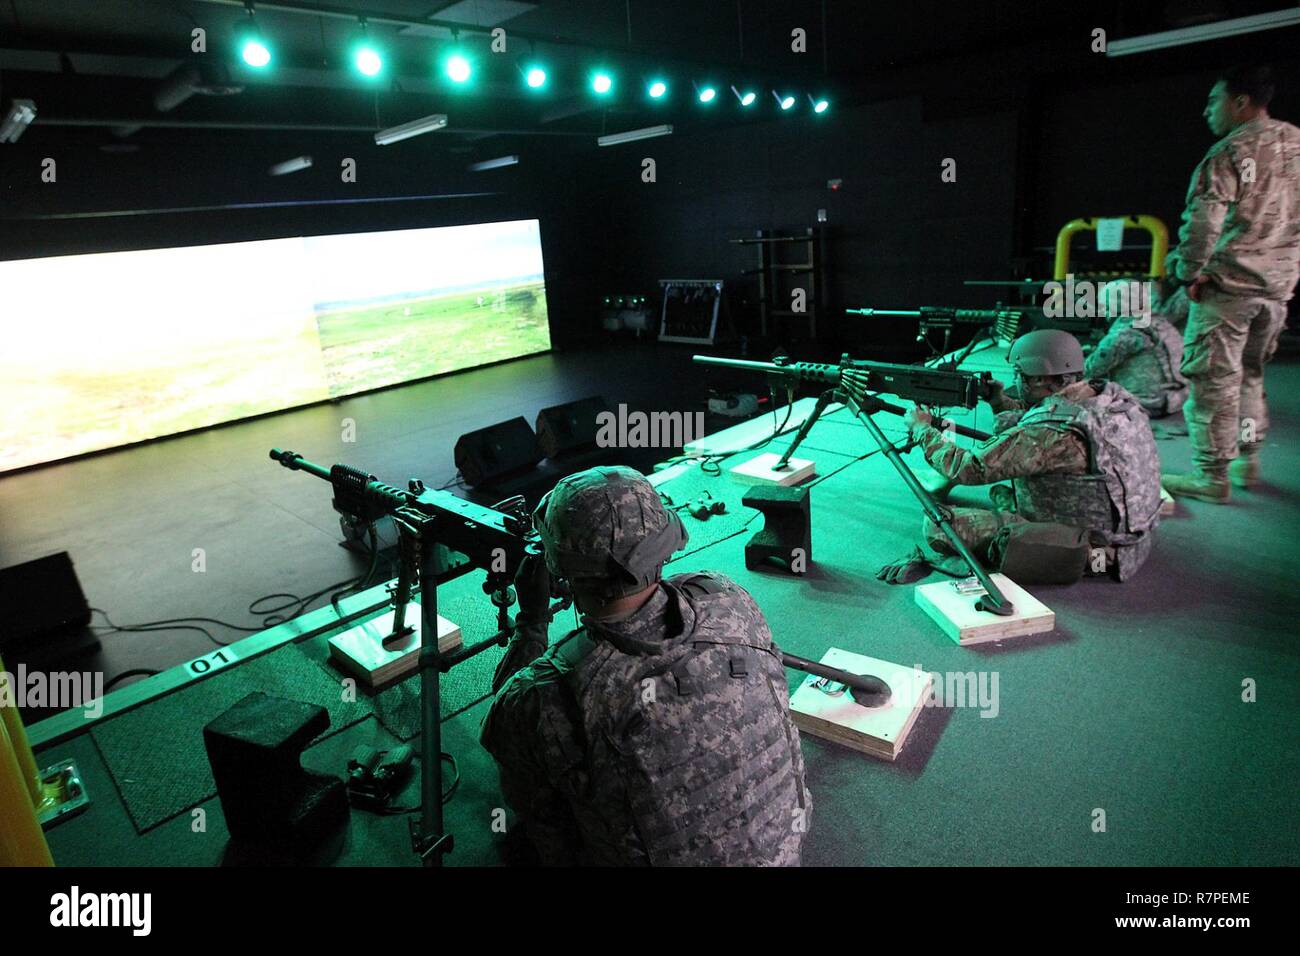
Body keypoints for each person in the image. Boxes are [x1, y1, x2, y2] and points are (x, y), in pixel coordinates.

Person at [480, 465, 812, 866]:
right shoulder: (729, 599)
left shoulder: (543, 694)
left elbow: (503, 725)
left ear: (559, 572)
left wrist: (532, 624)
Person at [878, 329, 1163, 584]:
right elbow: (1031, 425)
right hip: (1135, 542)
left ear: (1040, 377)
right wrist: (999, 402)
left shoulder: (1053, 431)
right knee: (1004, 491)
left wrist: (922, 429)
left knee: (940, 525)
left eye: (1019, 373)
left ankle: (1030, 553)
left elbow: (968, 469)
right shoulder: (1113, 399)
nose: (1014, 378)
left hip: (1096, 556)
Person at [1162, 64, 1300, 502]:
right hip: (1277, 290)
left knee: (1212, 383)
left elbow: (1203, 224)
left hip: (1229, 291)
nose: (1206, 110)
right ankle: (1247, 459)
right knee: (1251, 376)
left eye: (1213, 100)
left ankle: (1211, 477)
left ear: (1241, 102)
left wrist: (1186, 272)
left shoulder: (1228, 151)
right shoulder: (1295, 143)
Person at [1084, 279, 1189, 417]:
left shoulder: (1124, 332)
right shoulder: (1160, 322)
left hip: (1145, 403)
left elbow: (1091, 369)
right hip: (1176, 399)